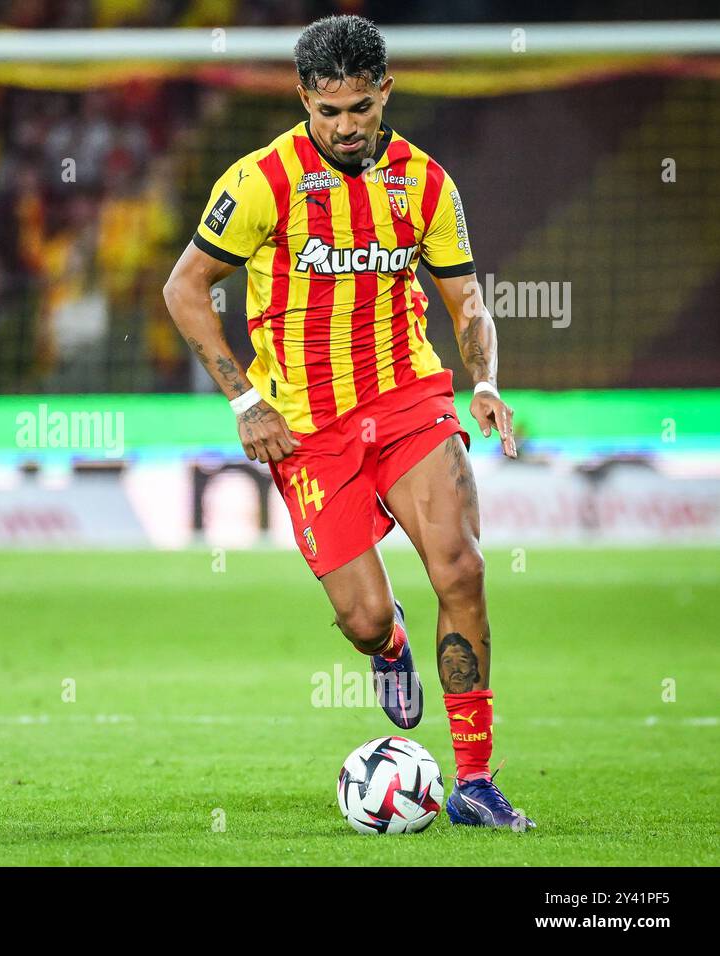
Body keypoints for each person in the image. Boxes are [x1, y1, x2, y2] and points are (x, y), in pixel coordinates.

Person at [163, 15, 532, 829]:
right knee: (363, 620)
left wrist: (485, 381)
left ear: (384, 93)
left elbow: (465, 299)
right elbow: (184, 289)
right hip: (306, 425)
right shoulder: (261, 181)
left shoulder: (427, 183)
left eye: (360, 108)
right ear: (303, 100)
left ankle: (474, 781)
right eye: (327, 112)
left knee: (461, 568)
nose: (345, 126)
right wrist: (243, 399)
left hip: (408, 399)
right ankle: (391, 647)